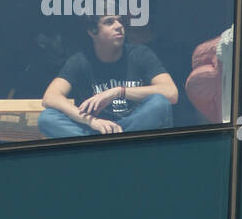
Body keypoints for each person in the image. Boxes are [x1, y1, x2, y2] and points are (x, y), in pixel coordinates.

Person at [39, 11, 178, 138]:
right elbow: (50, 97)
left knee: (159, 103)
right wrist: (92, 121)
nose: (118, 26)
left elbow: (171, 93)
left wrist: (117, 92)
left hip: (135, 126)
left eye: (120, 21)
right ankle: (107, 145)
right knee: (47, 118)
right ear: (93, 31)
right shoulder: (80, 61)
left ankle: (106, 146)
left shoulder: (141, 54)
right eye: (109, 22)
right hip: (96, 129)